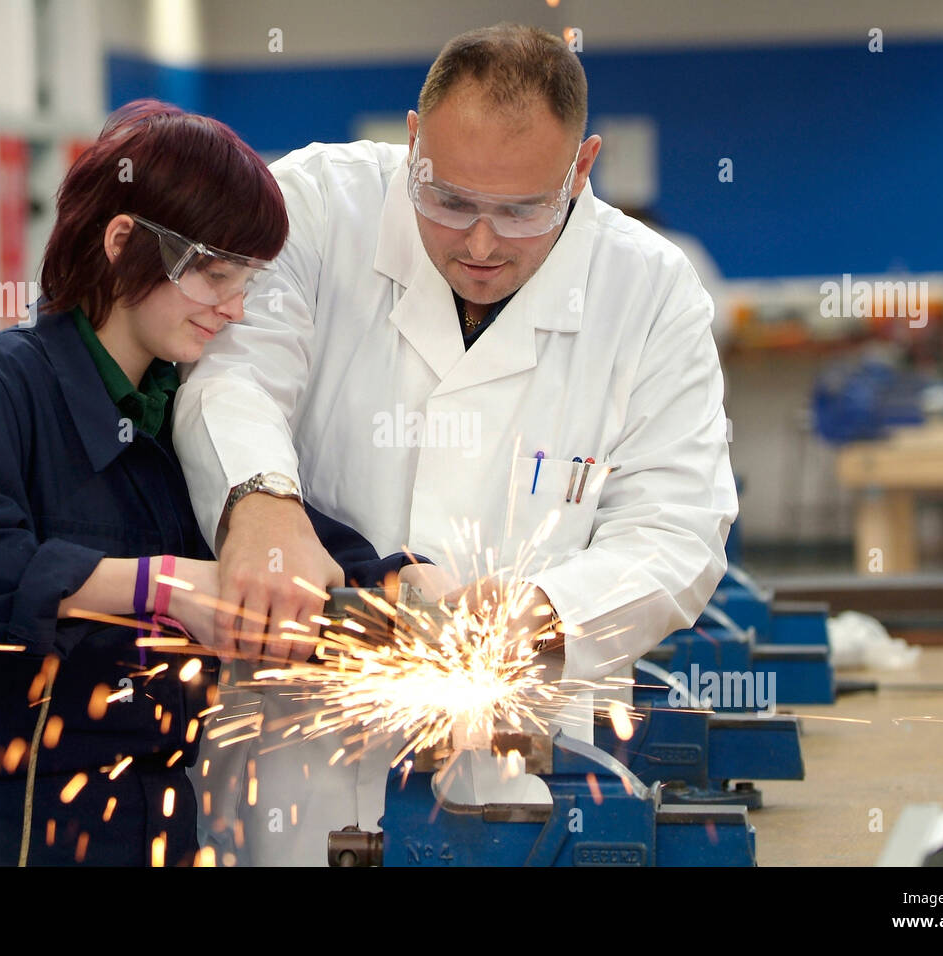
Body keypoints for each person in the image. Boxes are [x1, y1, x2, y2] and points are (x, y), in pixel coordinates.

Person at [173, 23, 738, 866]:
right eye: (449, 202)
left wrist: (538, 615)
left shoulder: (650, 292)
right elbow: (233, 375)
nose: (479, 244)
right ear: (411, 142)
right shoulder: (316, 206)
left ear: (581, 169)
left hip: (521, 777)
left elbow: (677, 530)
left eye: (520, 212)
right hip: (303, 756)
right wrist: (259, 501)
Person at [0, 99, 301, 866]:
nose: (234, 310)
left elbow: (272, 532)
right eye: (214, 275)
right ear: (124, 241)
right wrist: (162, 588)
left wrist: (399, 586)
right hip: (1, 832)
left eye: (248, 283)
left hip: (154, 826)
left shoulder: (176, 415)